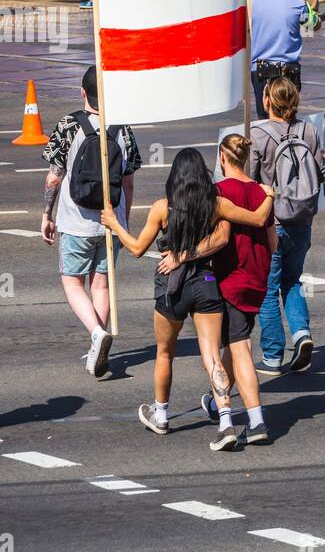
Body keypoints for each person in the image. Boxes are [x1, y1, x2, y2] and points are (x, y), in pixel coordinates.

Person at [100, 148, 273, 451]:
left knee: (165, 352)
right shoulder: (216, 204)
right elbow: (256, 220)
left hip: (172, 287)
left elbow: (138, 248)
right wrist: (269, 194)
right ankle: (226, 421)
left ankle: (162, 414)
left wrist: (114, 224)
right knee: (213, 357)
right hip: (206, 284)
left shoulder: (161, 208)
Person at [40, 66, 142, 378]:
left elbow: (55, 177)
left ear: (83, 92)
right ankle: (96, 342)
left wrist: (46, 214)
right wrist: (122, 219)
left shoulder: (69, 125)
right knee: (102, 284)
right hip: (111, 221)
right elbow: (128, 182)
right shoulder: (122, 129)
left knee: (72, 282)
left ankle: (97, 335)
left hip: (76, 220)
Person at [196, 135, 278, 444]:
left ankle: (256, 420)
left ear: (221, 157)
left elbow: (214, 238)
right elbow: (273, 242)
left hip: (230, 278)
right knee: (234, 343)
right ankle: (217, 399)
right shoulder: (261, 192)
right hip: (257, 279)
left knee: (239, 348)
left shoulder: (219, 192)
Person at [248, 77, 325, 372]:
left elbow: (250, 182)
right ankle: (301, 334)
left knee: (268, 288)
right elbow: (320, 175)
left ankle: (272, 355)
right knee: (293, 281)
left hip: (272, 222)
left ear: (267, 100)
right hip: (303, 219)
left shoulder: (257, 135)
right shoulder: (308, 130)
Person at [249, 0, 307, 110]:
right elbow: (309, 30)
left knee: (265, 119)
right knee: (288, 116)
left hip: (261, 69)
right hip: (289, 69)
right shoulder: (300, 5)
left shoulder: (252, 1)